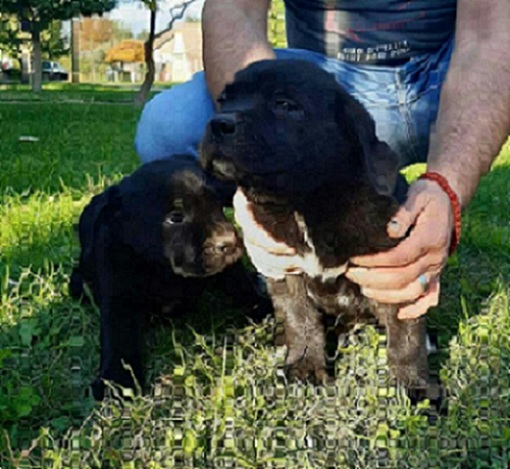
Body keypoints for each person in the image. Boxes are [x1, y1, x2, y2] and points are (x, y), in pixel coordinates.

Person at [134, 0, 510, 319]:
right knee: (169, 126)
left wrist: (448, 186)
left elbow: (492, 32)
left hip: (451, 69)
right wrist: (253, 168)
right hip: (321, 92)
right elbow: (235, 9)